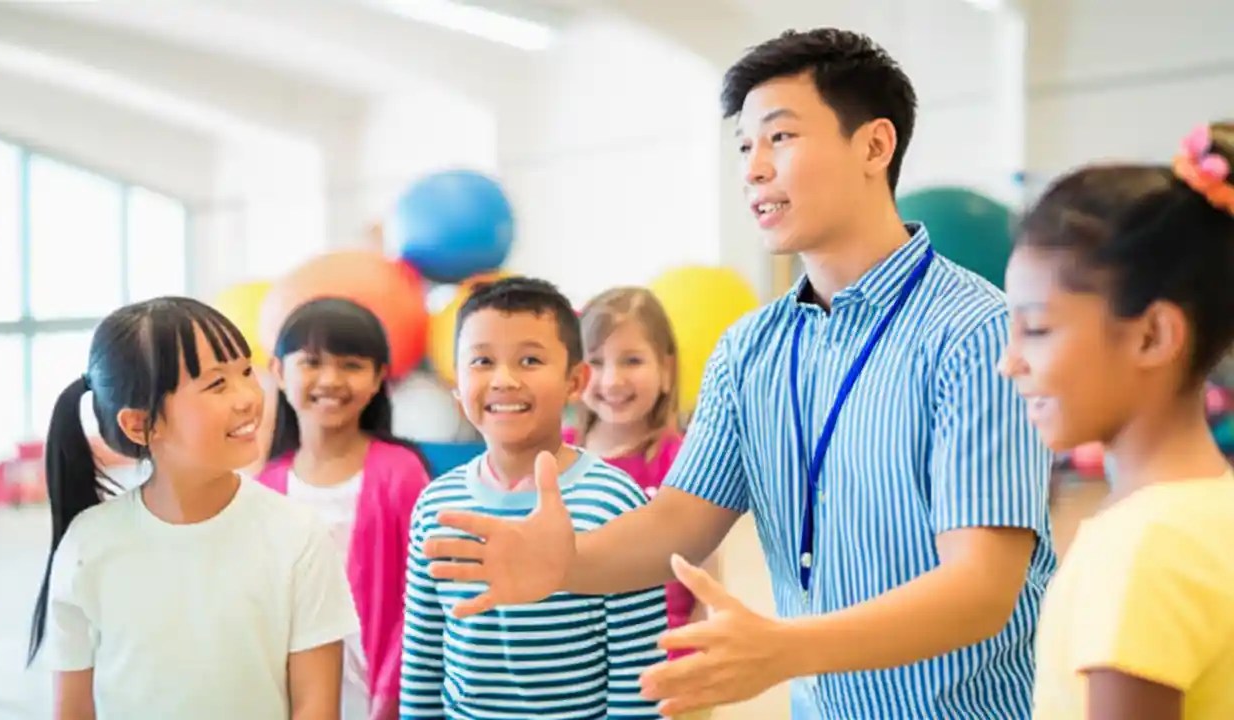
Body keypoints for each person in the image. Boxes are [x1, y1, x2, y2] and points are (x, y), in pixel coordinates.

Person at [422, 28, 1054, 720]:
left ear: (874, 146)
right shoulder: (750, 349)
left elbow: (981, 590)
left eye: (780, 138)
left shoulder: (976, 332)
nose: (754, 169)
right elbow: (681, 519)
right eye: (745, 146)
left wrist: (787, 649)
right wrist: (565, 560)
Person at [999, 121, 1234, 720]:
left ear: (1153, 335)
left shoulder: (1140, 550)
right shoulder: (1212, 508)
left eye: (1039, 329)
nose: (1009, 362)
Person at [28, 297, 359, 720]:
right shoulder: (88, 546)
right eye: (217, 384)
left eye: (244, 372)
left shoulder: (297, 534)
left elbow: (316, 706)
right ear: (141, 424)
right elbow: (72, 711)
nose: (247, 398)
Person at [399, 277, 667, 719]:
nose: (504, 380)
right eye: (482, 360)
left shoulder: (616, 501)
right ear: (456, 384)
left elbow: (636, 677)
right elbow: (424, 663)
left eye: (529, 360)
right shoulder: (435, 506)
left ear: (575, 381)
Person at [258, 298, 432, 720]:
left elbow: (425, 598)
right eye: (313, 362)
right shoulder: (265, 487)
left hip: (385, 695)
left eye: (352, 365)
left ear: (378, 379)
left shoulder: (401, 473)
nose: (331, 380)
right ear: (279, 372)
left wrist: (392, 694)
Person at [565, 287, 719, 660]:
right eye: (596, 362)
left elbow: (707, 581)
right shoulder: (554, 454)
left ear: (666, 371)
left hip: (665, 660)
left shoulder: (684, 461)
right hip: (578, 661)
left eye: (632, 360)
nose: (613, 380)